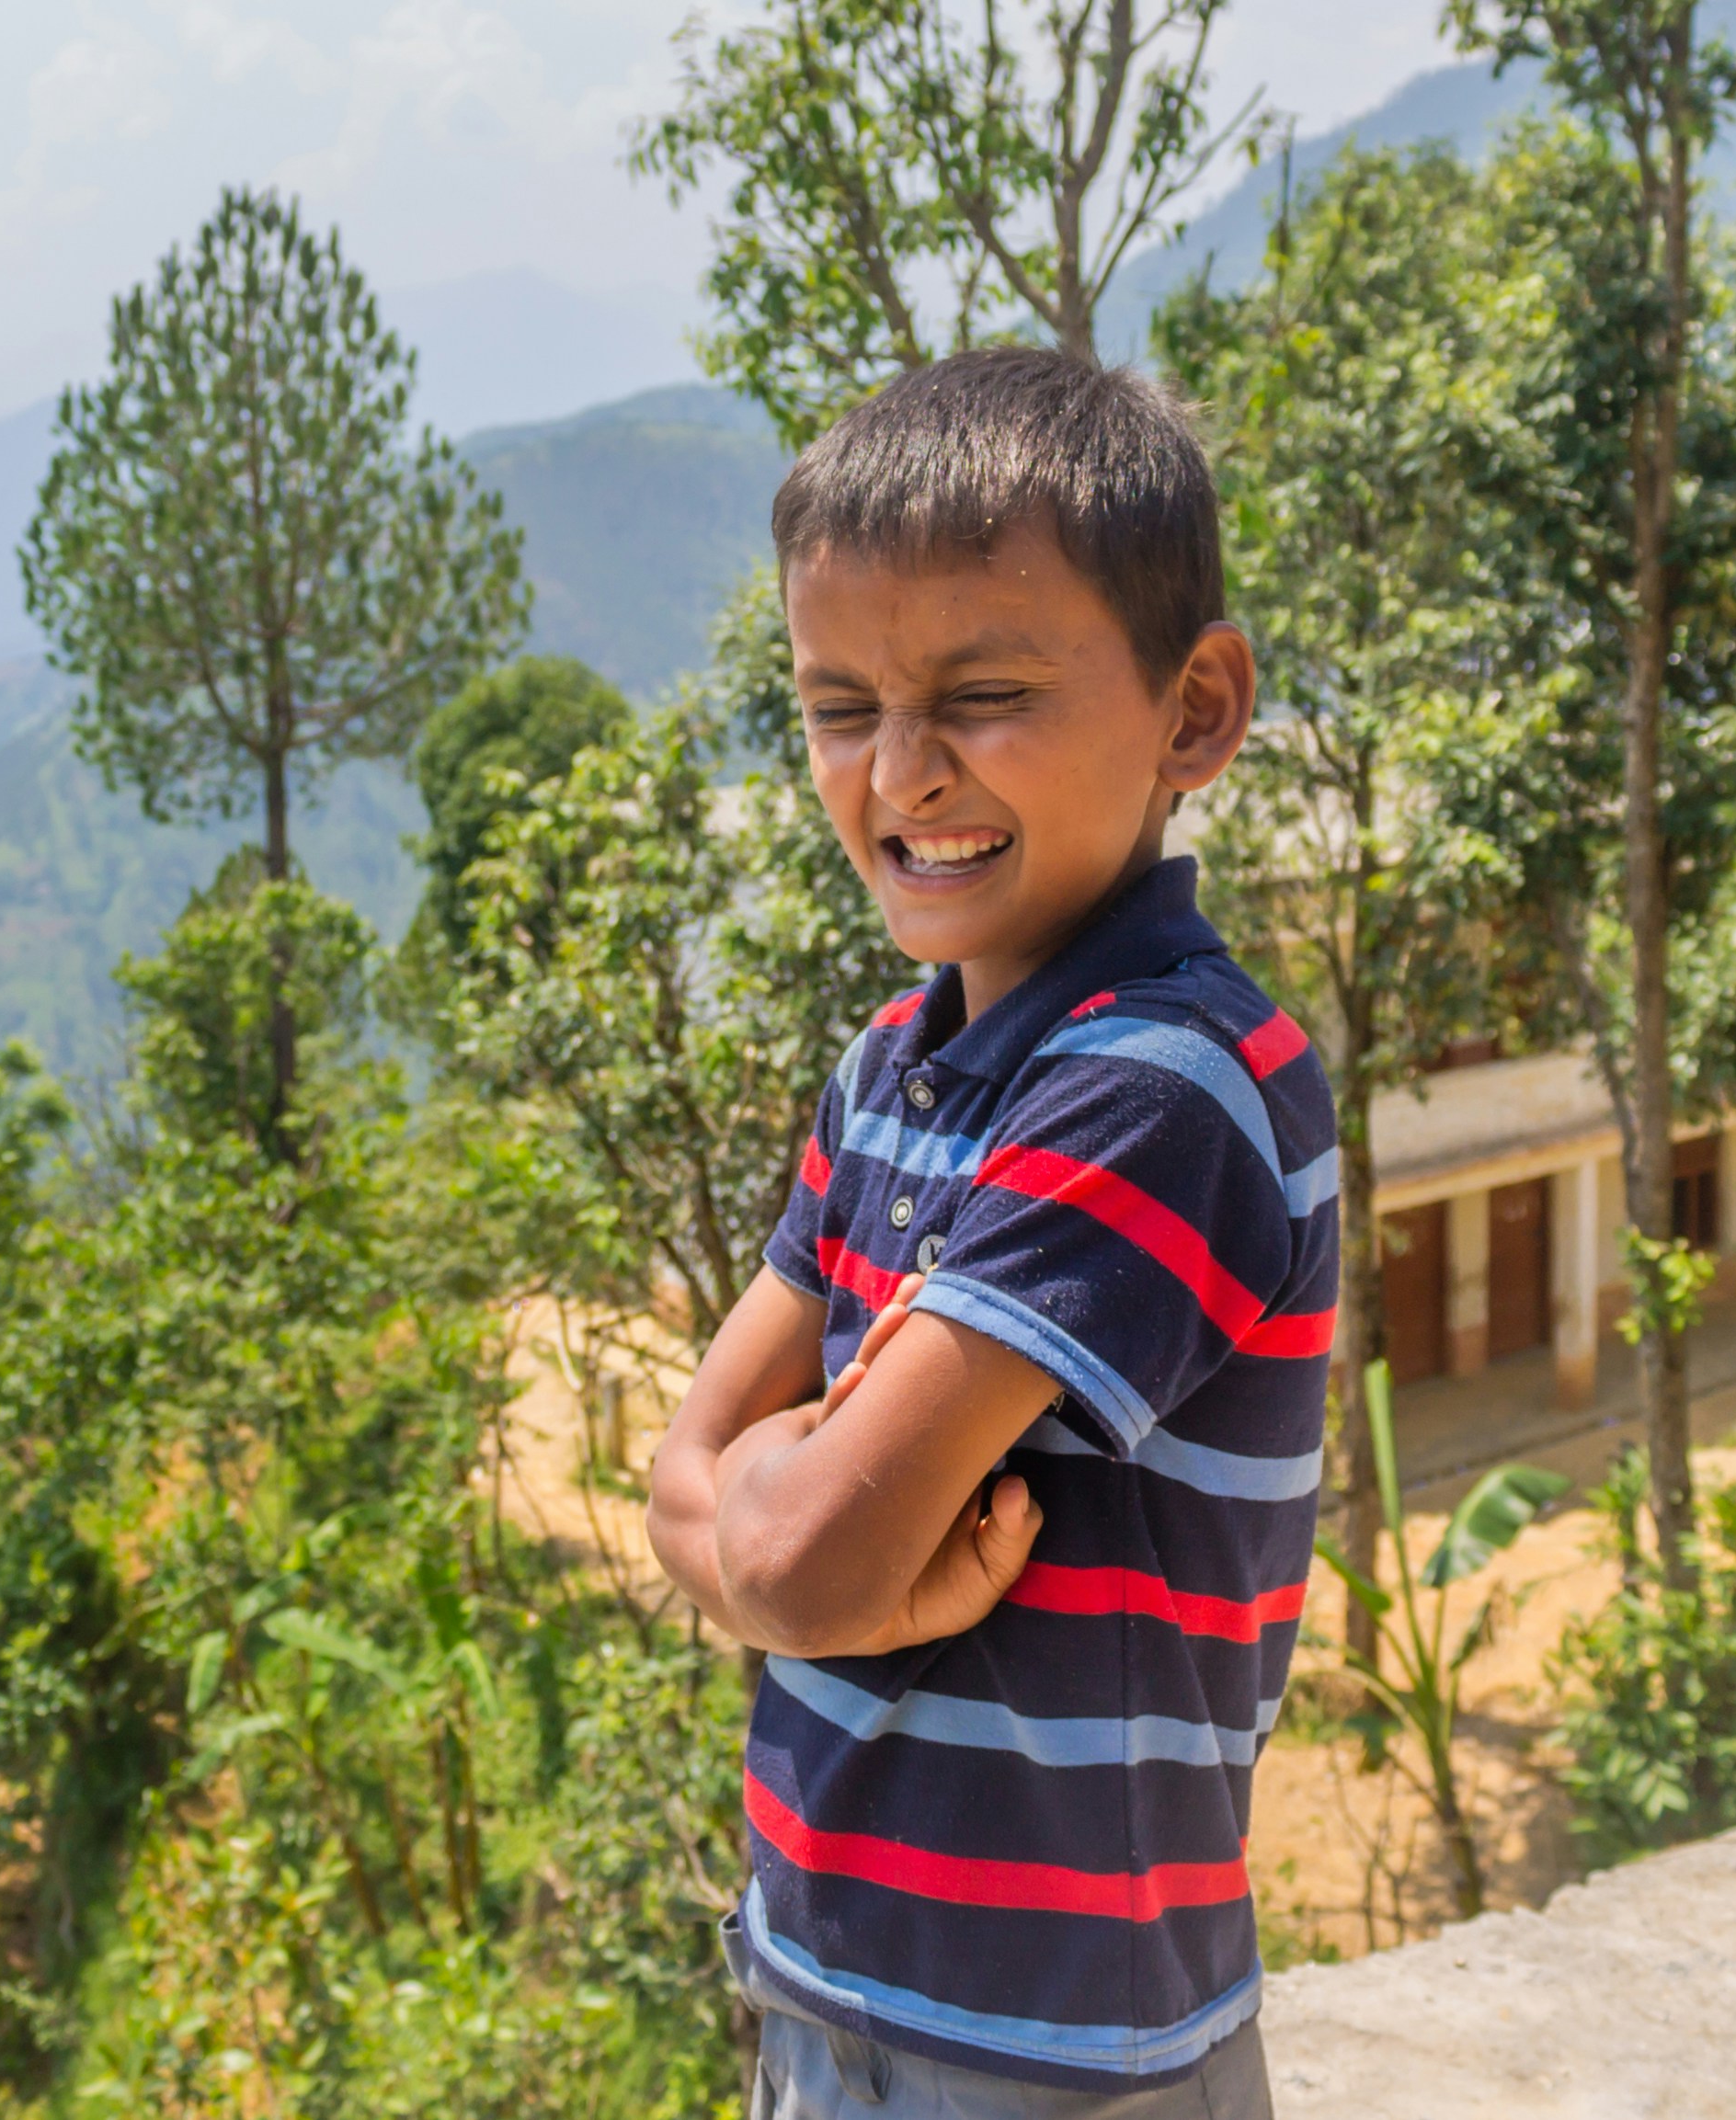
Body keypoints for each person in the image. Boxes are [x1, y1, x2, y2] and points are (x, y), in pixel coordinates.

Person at [645, 348, 1333, 2118]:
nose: (902, 773)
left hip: (1059, 2048)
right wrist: (802, 1549)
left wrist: (798, 1551)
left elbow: (782, 1550)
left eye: (986, 691)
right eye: (839, 706)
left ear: (1195, 712)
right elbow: (693, 1480)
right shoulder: (892, 1063)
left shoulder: (1165, 1089)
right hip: (826, 1974)